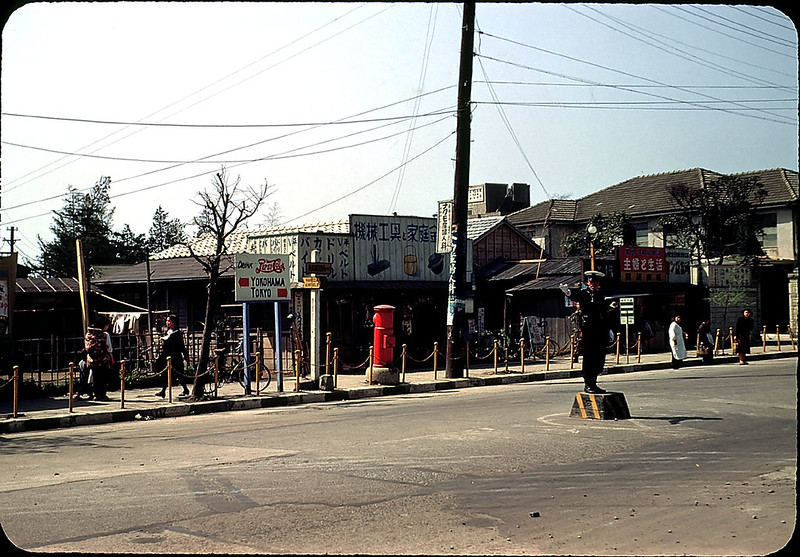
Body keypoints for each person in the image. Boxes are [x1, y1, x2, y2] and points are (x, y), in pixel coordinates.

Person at [560, 271, 613, 394]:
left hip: (601, 328)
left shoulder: (600, 295)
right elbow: (575, 295)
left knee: (600, 356)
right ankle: (588, 383)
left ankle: (594, 382)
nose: (593, 284)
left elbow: (604, 311)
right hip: (589, 328)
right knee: (589, 355)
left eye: (595, 282)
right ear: (587, 282)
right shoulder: (585, 294)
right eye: (591, 282)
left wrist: (608, 328)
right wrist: (567, 292)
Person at [154, 314, 191, 398]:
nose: (167, 323)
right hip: (167, 357)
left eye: (169, 321)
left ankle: (185, 389)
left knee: (179, 375)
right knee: (165, 374)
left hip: (175, 357)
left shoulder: (177, 333)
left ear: (174, 322)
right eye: (167, 321)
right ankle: (163, 391)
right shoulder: (168, 331)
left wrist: (186, 355)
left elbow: (181, 346)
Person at [84, 315, 114, 401]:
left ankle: (95, 394)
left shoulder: (89, 334)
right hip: (103, 359)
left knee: (95, 377)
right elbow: (109, 349)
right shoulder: (105, 335)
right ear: (104, 325)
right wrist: (112, 359)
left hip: (92, 359)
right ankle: (102, 394)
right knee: (103, 377)